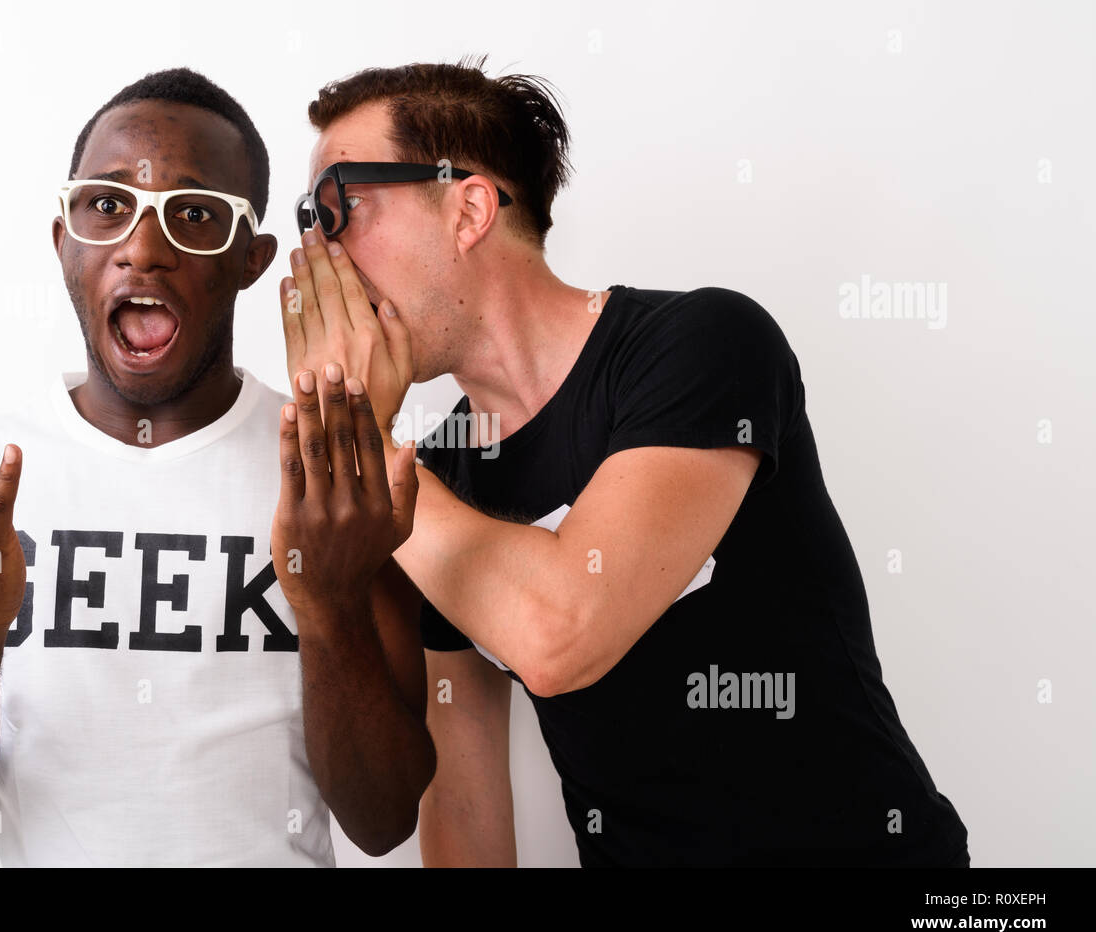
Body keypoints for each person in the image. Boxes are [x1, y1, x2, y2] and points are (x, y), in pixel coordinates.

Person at [280, 57, 971, 866]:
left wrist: (365, 434)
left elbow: (562, 633)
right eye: (308, 218)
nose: (319, 255)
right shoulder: (440, 476)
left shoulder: (702, 346)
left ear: (468, 209)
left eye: (340, 206)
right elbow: (464, 800)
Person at [0, 67, 433, 866]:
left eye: (195, 215)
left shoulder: (337, 473)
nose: (143, 247)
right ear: (64, 240)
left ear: (250, 257)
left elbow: (385, 819)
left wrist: (333, 603)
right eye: (106, 205)